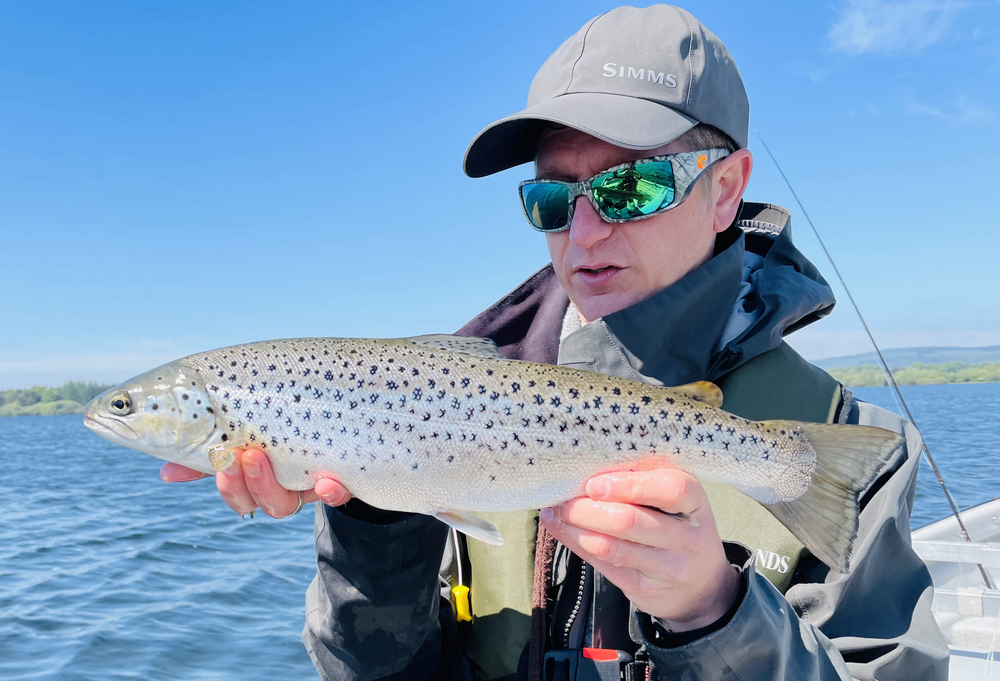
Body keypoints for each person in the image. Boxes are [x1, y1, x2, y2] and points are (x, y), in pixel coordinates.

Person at [162, 5, 949, 680]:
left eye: (631, 186)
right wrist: (375, 518)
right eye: (551, 197)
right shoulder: (444, 402)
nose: (584, 230)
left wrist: (716, 611)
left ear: (726, 190)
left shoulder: (855, 448)